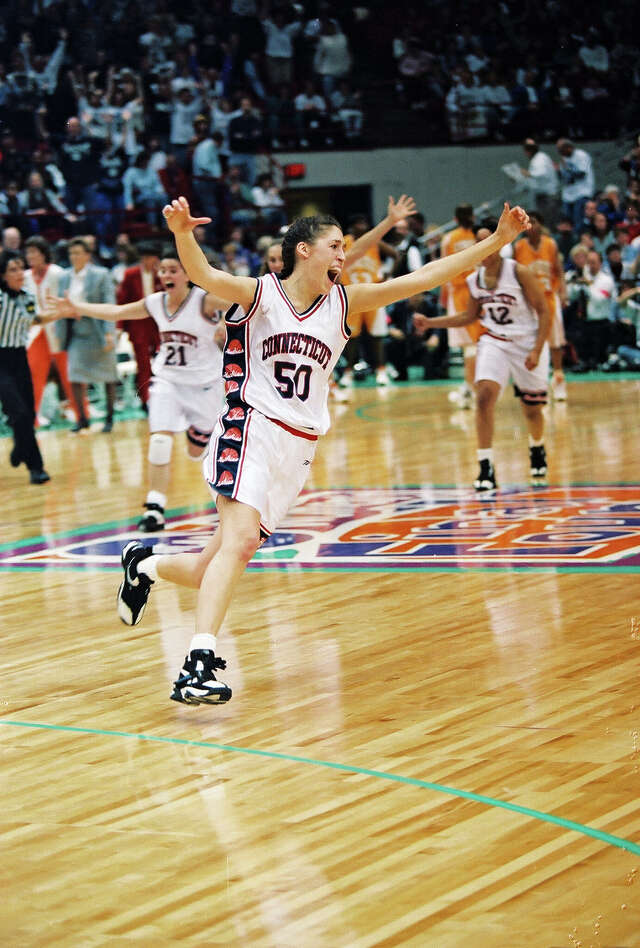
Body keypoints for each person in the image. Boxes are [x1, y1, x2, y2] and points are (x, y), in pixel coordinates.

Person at [115, 196, 530, 705]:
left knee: (210, 567)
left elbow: (426, 279)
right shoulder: (259, 294)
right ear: (305, 251)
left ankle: (144, 565)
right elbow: (203, 273)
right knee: (241, 542)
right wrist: (182, 232)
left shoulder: (344, 302)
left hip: (299, 443)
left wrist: (496, 242)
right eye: (336, 246)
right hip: (250, 425)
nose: (343, 254)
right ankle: (197, 663)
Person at [50, 253, 227, 531]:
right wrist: (78, 308)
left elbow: (245, 301)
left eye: (173, 270)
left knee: (198, 450)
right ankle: (155, 507)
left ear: (188, 274)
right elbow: (118, 312)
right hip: (167, 381)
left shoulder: (205, 300)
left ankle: (200, 438)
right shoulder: (156, 303)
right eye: (163, 270)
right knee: (159, 442)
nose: (166, 275)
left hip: (205, 385)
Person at [420, 226, 550, 493]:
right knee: (483, 398)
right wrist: (430, 322)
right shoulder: (474, 280)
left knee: (532, 409)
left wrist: (537, 349)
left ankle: (537, 448)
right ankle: (485, 466)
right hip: (495, 341)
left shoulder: (518, 272)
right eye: (478, 243)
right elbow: (469, 317)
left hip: (527, 342)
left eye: (487, 241)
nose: (483, 247)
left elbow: (544, 311)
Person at [0, 250, 53, 484]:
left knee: (28, 414)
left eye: (21, 268)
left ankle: (19, 448)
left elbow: (35, 320)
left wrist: (59, 313)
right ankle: (36, 467)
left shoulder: (28, 297)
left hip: (20, 358)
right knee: (19, 412)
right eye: (13, 269)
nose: (20, 273)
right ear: (3, 275)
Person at [55, 238, 118, 433]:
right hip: (76, 333)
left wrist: (109, 332)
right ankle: (82, 418)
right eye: (71, 253)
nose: (74, 257)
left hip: (98, 330)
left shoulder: (101, 274)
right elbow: (60, 305)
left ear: (87, 255)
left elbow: (109, 302)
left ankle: (109, 417)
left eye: (78, 253)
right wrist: (58, 333)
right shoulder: (64, 276)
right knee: (74, 375)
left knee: (108, 375)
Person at [514, 211, 568, 400]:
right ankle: (535, 383)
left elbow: (559, 271)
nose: (531, 226)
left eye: (535, 222)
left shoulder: (550, 244)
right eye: (529, 222)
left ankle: (559, 380)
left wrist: (563, 292)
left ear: (541, 225)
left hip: (549, 299)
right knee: (533, 343)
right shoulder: (519, 247)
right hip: (529, 303)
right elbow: (515, 277)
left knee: (555, 344)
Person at [23, 236, 76, 424]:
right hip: (36, 330)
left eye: (34, 252)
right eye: (28, 252)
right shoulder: (26, 277)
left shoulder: (57, 273)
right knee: (33, 374)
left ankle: (79, 411)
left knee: (69, 373)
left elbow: (67, 299)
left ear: (44, 253)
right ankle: (32, 417)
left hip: (59, 327)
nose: (30, 256)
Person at [115, 241, 162, 412]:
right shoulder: (130, 274)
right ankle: (145, 400)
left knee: (162, 360)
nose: (147, 261)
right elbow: (122, 300)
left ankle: (163, 396)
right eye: (144, 257)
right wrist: (119, 326)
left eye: (150, 257)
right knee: (142, 363)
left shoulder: (163, 274)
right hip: (138, 324)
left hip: (159, 323)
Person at [440, 203, 478, 408]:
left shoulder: (450, 239)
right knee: (475, 345)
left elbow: (444, 269)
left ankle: (470, 389)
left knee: (470, 347)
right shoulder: (480, 236)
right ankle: (471, 386)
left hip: (461, 293)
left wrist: (444, 295)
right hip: (479, 290)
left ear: (455, 219)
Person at [556, 138, 595, 235]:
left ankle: (579, 238)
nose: (560, 153)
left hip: (582, 192)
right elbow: (564, 179)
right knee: (568, 221)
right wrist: (558, 171)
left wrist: (567, 168)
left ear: (569, 148)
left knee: (579, 220)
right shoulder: (564, 159)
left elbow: (581, 173)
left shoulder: (581, 155)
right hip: (568, 195)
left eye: (561, 150)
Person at [519, 138, 559, 228]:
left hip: (548, 198)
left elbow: (541, 173)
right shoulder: (539, 158)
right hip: (544, 198)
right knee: (544, 223)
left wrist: (527, 173)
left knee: (547, 224)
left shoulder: (540, 158)